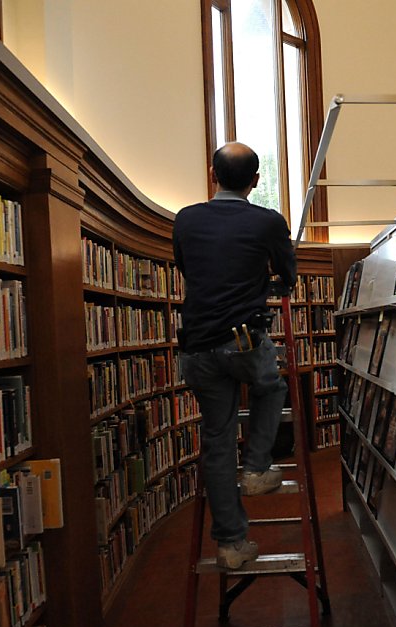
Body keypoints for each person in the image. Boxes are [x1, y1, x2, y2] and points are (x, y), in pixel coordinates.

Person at [173, 142, 297, 570]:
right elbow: (290, 275)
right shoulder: (267, 221)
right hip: (243, 342)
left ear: (212, 175)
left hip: (196, 349)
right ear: (256, 181)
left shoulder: (185, 219)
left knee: (217, 440)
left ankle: (230, 544)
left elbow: (189, 270)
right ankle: (258, 468)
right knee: (271, 385)